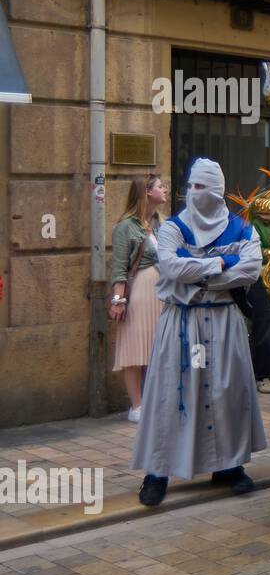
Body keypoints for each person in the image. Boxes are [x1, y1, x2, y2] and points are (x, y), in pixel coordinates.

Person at [132, 159, 267, 506]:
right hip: (182, 323)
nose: (193, 193)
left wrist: (199, 271)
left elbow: (251, 269)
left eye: (201, 187)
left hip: (225, 323)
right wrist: (221, 263)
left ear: (217, 190)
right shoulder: (172, 229)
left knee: (228, 391)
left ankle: (230, 466)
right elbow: (172, 266)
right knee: (170, 395)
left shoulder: (241, 229)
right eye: (190, 186)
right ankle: (157, 471)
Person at [109, 174, 168, 422]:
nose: (165, 189)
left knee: (160, 348)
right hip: (140, 292)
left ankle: (157, 401)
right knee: (135, 349)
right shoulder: (125, 227)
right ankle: (137, 406)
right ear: (146, 192)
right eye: (159, 186)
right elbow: (120, 267)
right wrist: (117, 300)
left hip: (163, 291)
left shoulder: (161, 223)